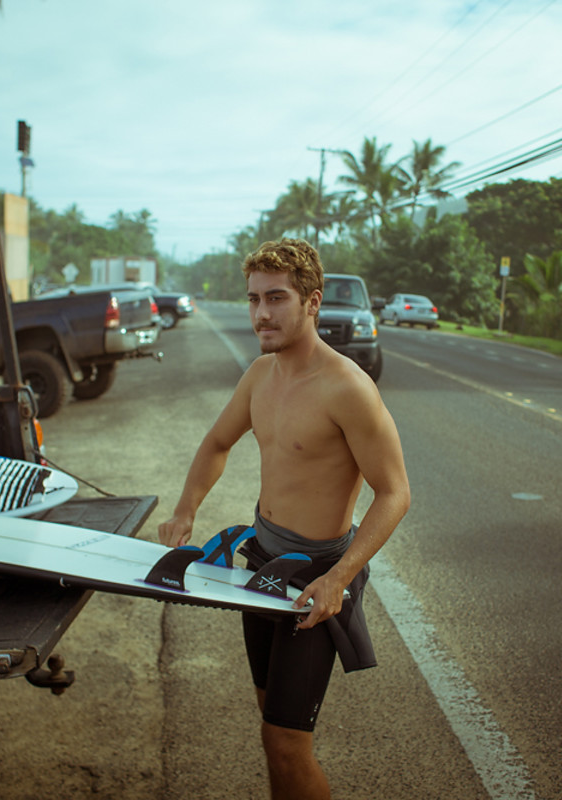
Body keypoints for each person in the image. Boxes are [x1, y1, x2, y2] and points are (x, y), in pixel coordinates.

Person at [158, 238, 411, 799]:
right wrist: (185, 510)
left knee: (288, 744)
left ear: (312, 302)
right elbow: (218, 442)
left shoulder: (348, 388)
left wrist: (338, 579)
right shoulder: (260, 375)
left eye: (276, 298)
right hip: (263, 565)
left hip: (314, 578)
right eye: (253, 300)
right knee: (270, 724)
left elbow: (394, 493)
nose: (261, 314)